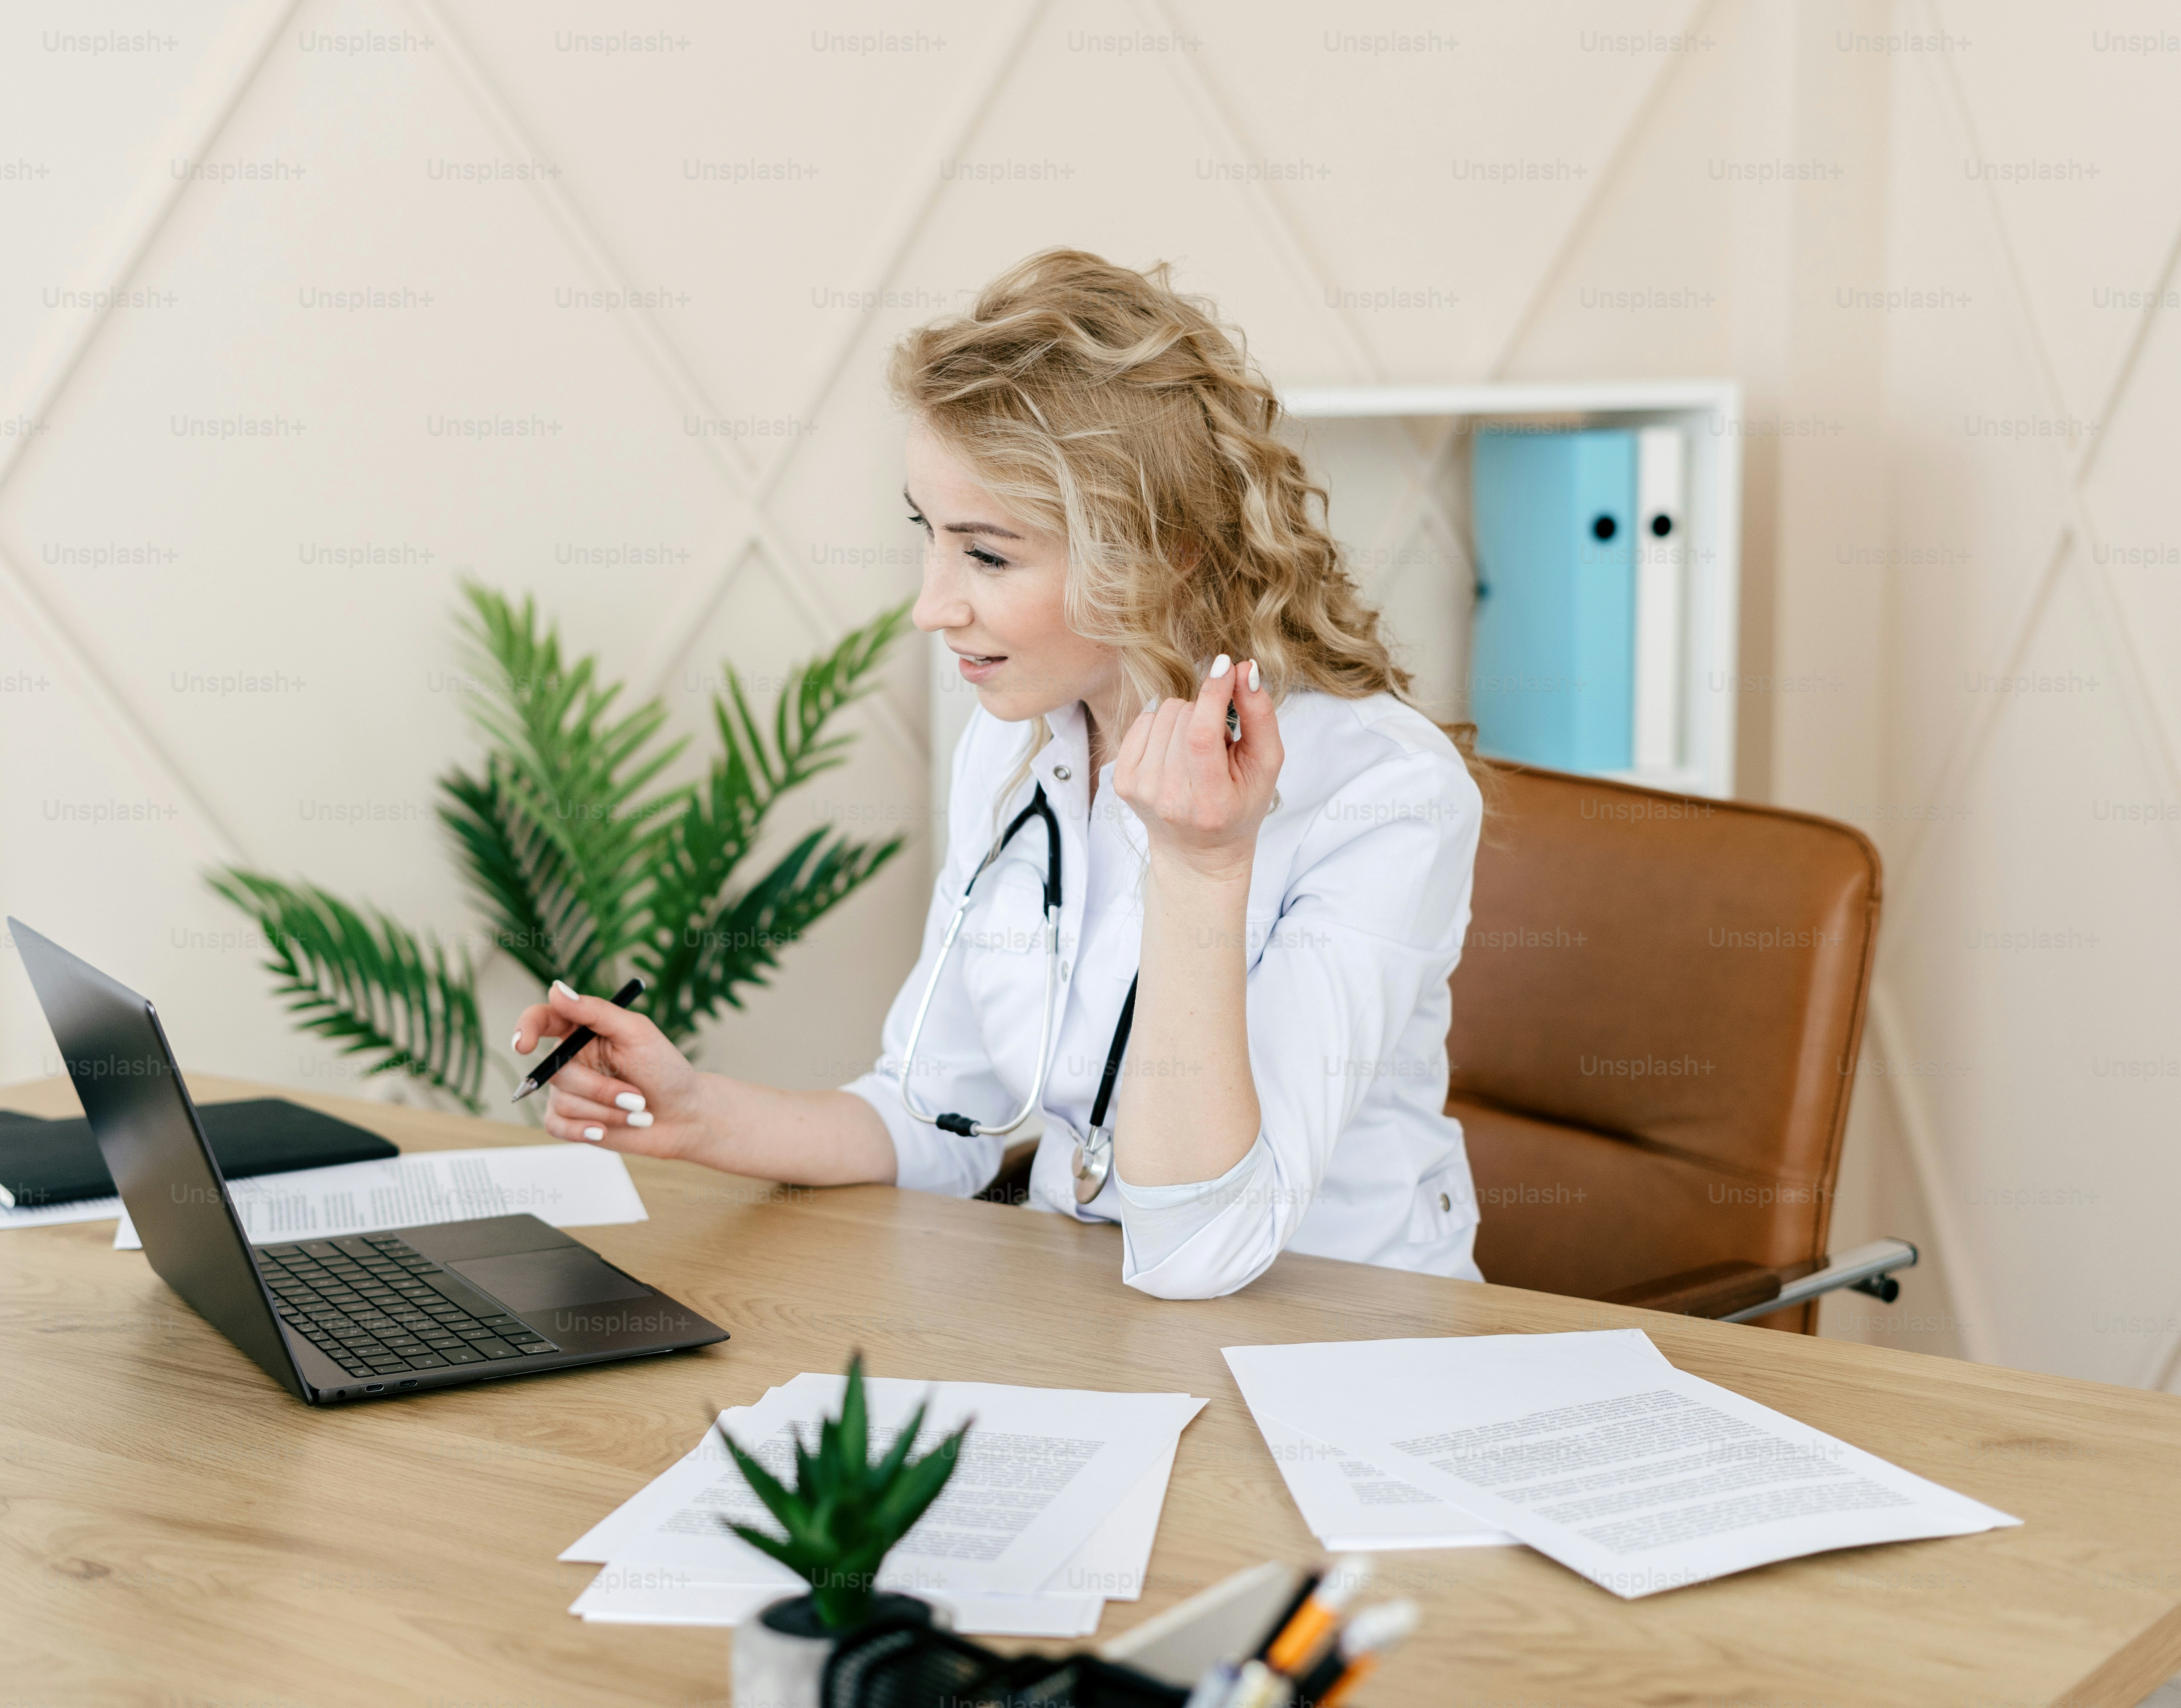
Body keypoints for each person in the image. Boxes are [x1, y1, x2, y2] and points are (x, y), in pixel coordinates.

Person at [511, 249, 1484, 1300]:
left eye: (987, 555)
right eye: (928, 534)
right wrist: (697, 1110)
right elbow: (938, 1119)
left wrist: (1204, 869)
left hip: (1352, 1342)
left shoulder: (1386, 791)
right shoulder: (1020, 741)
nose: (933, 605)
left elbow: (1202, 1250)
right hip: (1096, 1316)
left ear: (1165, 552)